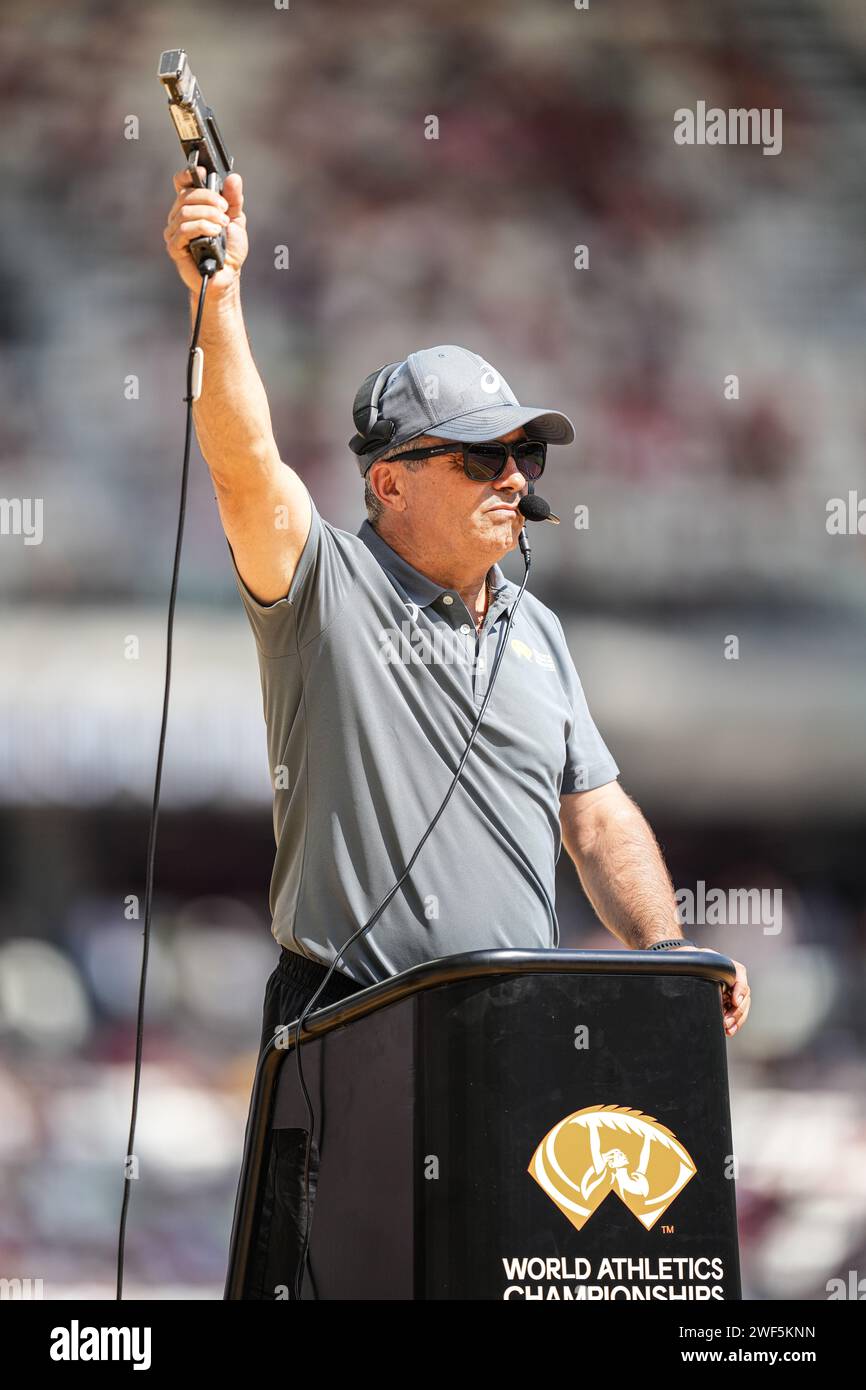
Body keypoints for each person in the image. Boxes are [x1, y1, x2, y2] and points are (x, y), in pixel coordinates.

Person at [163, 166, 751, 1299]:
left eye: (524, 458)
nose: (513, 480)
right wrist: (220, 292)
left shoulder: (539, 632)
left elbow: (594, 811)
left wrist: (663, 957)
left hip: (509, 1039)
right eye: (480, 457)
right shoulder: (324, 586)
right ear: (388, 482)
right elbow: (243, 463)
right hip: (350, 1030)